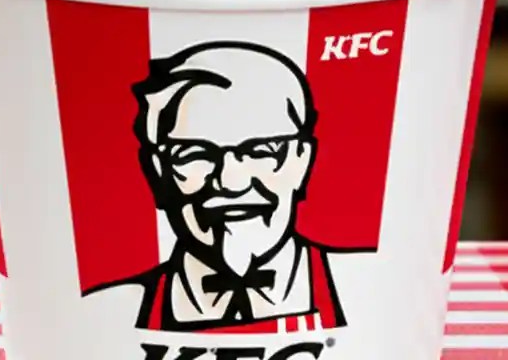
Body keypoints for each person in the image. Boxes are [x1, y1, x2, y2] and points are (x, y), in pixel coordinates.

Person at [94, 42, 349, 333]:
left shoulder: (364, 287)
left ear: (302, 161)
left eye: (261, 151)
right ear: (157, 171)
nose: (230, 182)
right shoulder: (107, 312)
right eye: (194, 154)